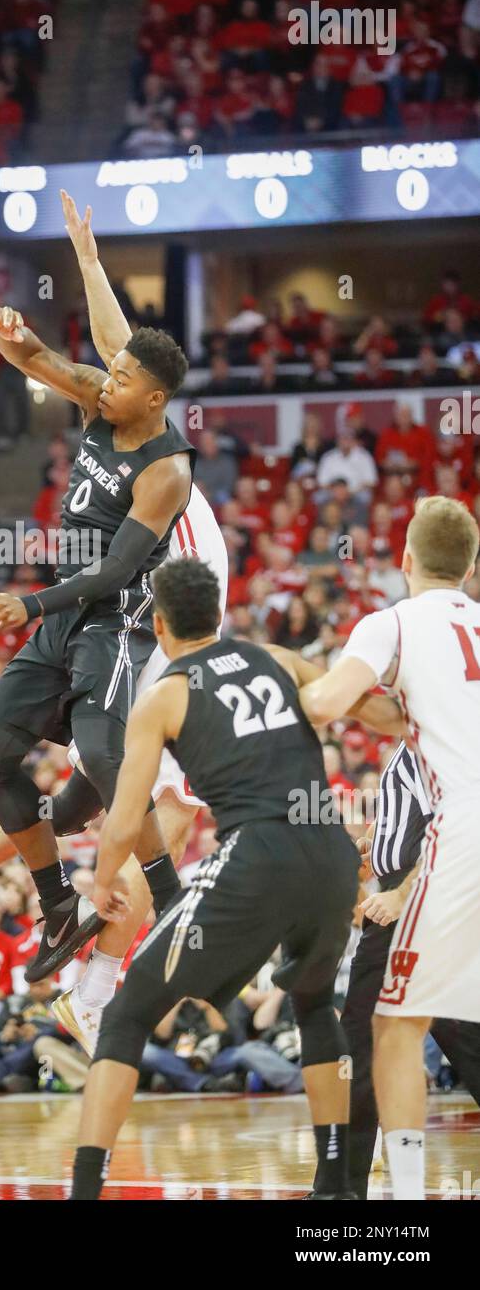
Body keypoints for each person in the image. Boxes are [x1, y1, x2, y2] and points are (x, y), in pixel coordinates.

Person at [0, 192, 227, 1057]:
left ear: (150, 400)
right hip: (119, 618)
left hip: (157, 623)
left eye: (121, 380)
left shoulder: (166, 474)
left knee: (98, 794)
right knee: (104, 790)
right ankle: (92, 968)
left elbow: (118, 569)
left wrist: (35, 600)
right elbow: (107, 352)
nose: (106, 379)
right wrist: (78, 271)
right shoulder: (118, 397)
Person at [68, 557, 404, 1200]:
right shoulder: (274, 655)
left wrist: (105, 878)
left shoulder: (164, 691)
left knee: (129, 1012)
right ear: (218, 612)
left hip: (261, 850)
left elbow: (125, 815)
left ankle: (84, 1189)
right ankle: (338, 1190)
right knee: (312, 1002)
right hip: (332, 854)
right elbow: (379, 715)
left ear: (159, 624)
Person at [299, 495, 480, 1200]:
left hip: (458, 831)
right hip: (457, 833)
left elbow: (323, 705)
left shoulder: (392, 622)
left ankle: (401, 1205)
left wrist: (282, 672)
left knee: (392, 1026)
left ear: (406, 559)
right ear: (468, 567)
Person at [333, 742, 480, 1199]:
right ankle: (342, 1185)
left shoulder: (435, 740)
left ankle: (342, 1187)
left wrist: (400, 896)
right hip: (421, 902)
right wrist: (378, 842)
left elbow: (455, 830)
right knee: (455, 1030)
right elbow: (416, 819)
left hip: (412, 905)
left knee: (361, 1039)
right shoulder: (415, 739)